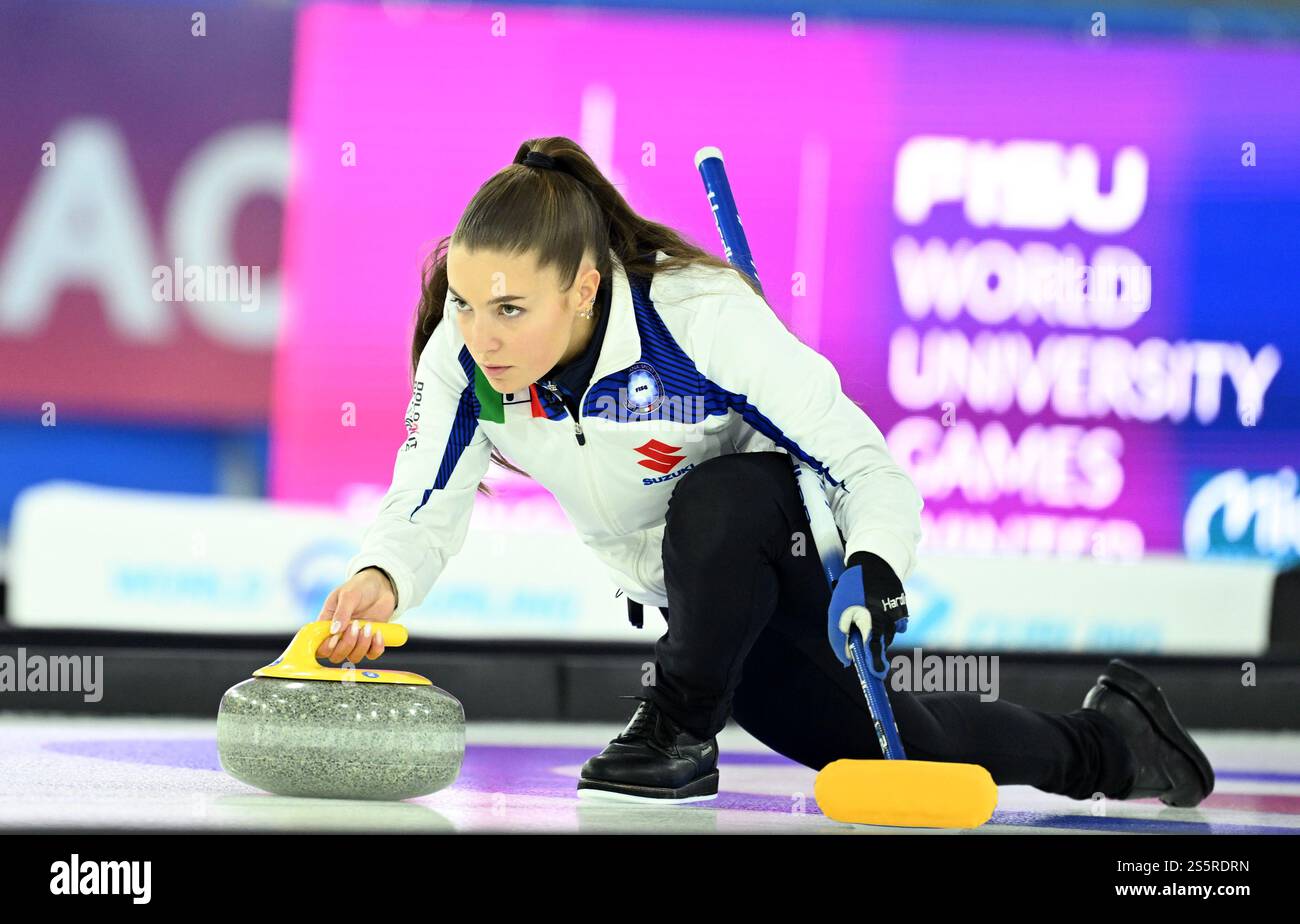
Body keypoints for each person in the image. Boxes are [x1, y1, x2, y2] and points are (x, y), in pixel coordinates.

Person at [314, 136, 1215, 808]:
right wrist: (381, 575)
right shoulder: (467, 359)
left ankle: (677, 726)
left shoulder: (699, 319)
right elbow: (425, 493)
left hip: (785, 546)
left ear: (584, 289)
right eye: (468, 303)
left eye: (511, 308)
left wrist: (877, 567)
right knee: (908, 750)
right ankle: (1116, 742)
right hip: (701, 604)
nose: (482, 332)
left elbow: (867, 465)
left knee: (717, 496)